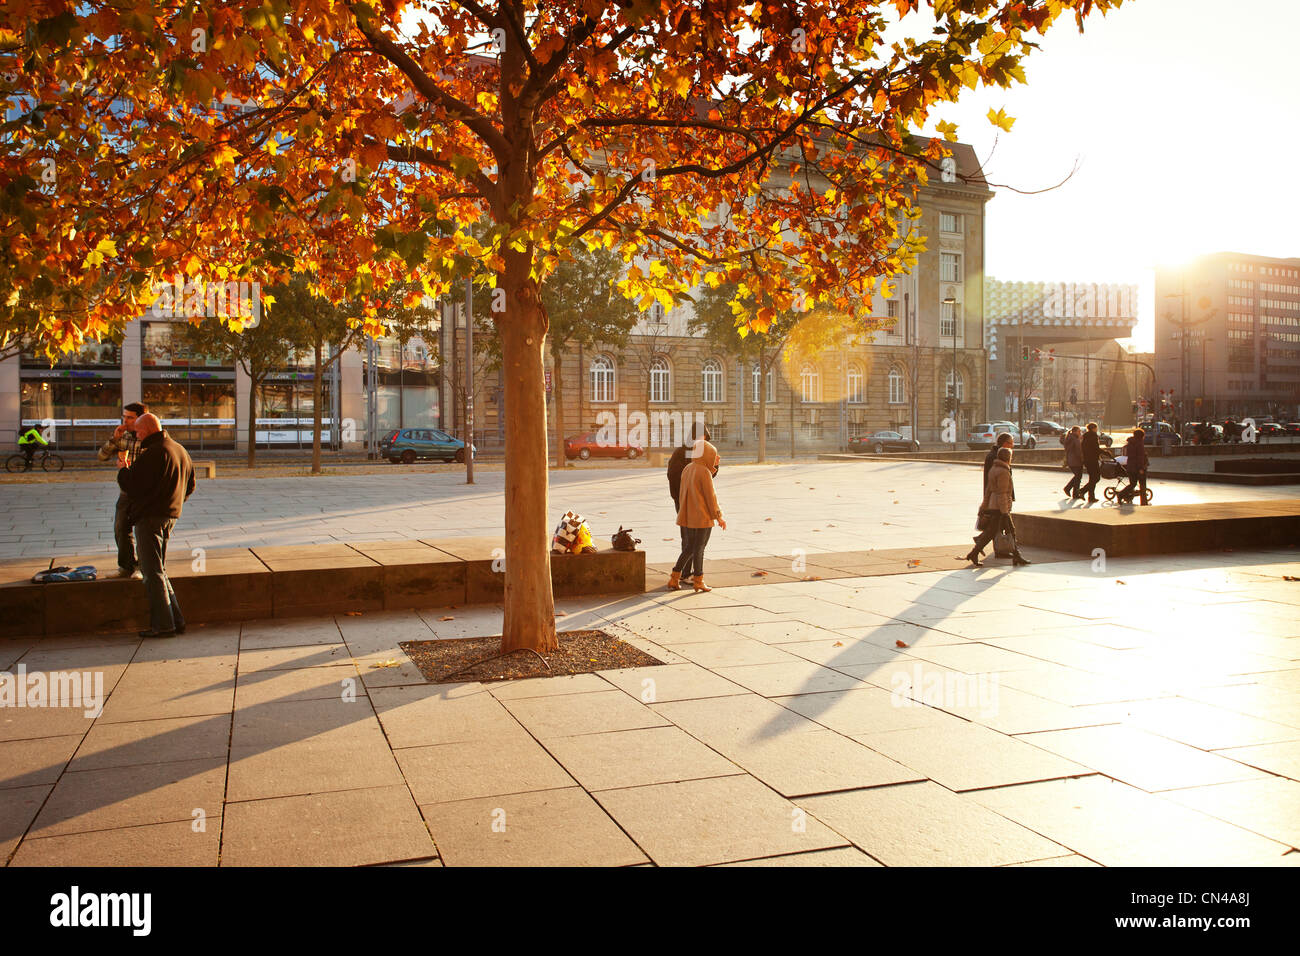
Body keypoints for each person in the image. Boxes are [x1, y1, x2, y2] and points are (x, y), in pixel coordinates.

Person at [116, 413, 196, 638]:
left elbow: (132, 486)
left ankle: (163, 625)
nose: (137, 436)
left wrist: (123, 469)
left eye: (139, 432)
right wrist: (173, 504)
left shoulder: (154, 453)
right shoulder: (179, 449)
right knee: (159, 570)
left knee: (151, 573)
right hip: (169, 517)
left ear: (149, 429)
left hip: (150, 519)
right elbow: (190, 485)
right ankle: (175, 620)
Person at [98, 402, 148, 579]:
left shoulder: (149, 437)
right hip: (126, 491)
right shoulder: (123, 436)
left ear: (140, 418)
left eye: (130, 417)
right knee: (120, 528)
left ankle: (143, 568)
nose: (125, 420)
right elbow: (102, 456)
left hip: (144, 492)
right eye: (124, 417)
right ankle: (126, 566)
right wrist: (114, 438)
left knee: (144, 530)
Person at [670, 438, 726, 592]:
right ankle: (699, 580)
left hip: (688, 516)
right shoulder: (704, 472)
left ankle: (675, 577)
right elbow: (711, 496)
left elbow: (682, 493)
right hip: (702, 517)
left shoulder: (688, 468)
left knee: (689, 547)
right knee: (699, 548)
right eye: (713, 454)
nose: (716, 458)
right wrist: (719, 516)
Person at [967, 446, 1030, 567]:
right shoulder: (1003, 472)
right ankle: (1016, 556)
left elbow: (989, 490)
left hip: (993, 505)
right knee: (1010, 530)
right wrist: (1005, 511)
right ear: (1009, 458)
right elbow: (1002, 493)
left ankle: (974, 553)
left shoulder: (994, 469)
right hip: (1000, 507)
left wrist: (984, 506)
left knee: (992, 532)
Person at [1118, 426, 1150, 505]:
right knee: (1142, 485)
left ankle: (1121, 494)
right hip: (1138, 467)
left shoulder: (1130, 443)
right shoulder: (1139, 444)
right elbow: (1140, 457)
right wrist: (1141, 468)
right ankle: (1144, 502)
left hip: (1130, 467)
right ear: (1142, 436)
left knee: (1132, 484)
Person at [1079, 422, 1104, 504]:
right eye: (1096, 428)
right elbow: (1096, 448)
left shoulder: (1085, 436)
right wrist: (1105, 452)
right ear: (1094, 428)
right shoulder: (1093, 436)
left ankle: (1091, 496)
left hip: (1087, 460)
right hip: (1093, 460)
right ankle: (1083, 491)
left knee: (1092, 478)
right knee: (1096, 478)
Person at [1062, 426, 1084, 500]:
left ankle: (1072, 491)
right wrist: (1082, 459)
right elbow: (1078, 451)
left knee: (1077, 476)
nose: (1080, 433)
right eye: (1079, 431)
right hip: (1076, 460)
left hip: (1070, 460)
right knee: (1078, 476)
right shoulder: (1075, 439)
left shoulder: (1069, 437)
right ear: (1075, 432)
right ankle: (1070, 490)